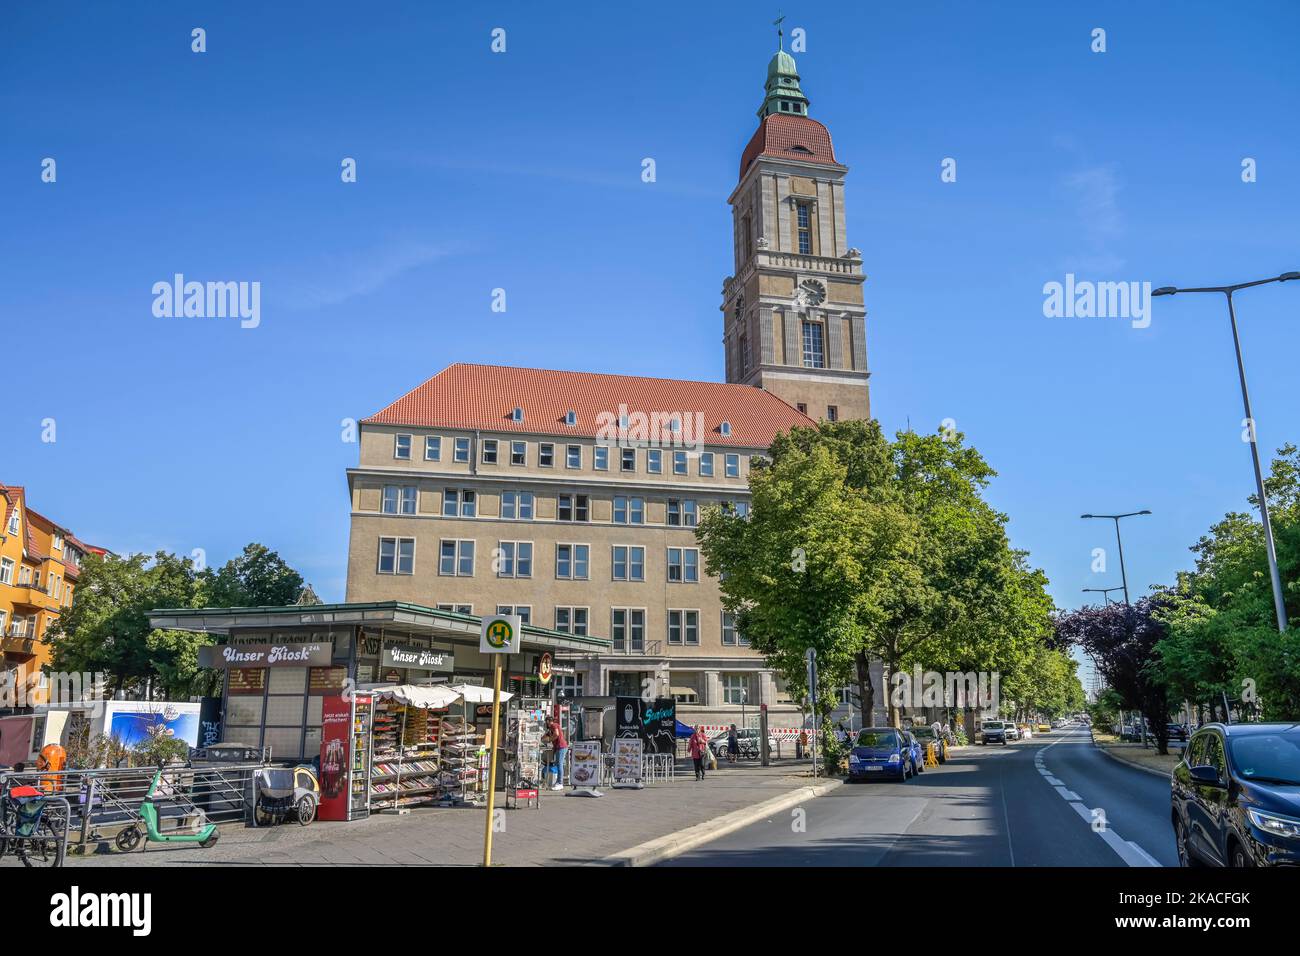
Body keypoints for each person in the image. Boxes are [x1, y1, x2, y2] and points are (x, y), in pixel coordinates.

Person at [546, 717, 568, 791]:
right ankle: (558, 782)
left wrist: (550, 739)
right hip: (559, 747)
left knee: (559, 764)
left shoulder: (553, 725)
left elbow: (556, 734)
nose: (546, 724)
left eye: (546, 722)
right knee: (558, 764)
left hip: (561, 747)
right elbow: (546, 736)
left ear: (549, 721)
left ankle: (560, 783)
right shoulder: (551, 728)